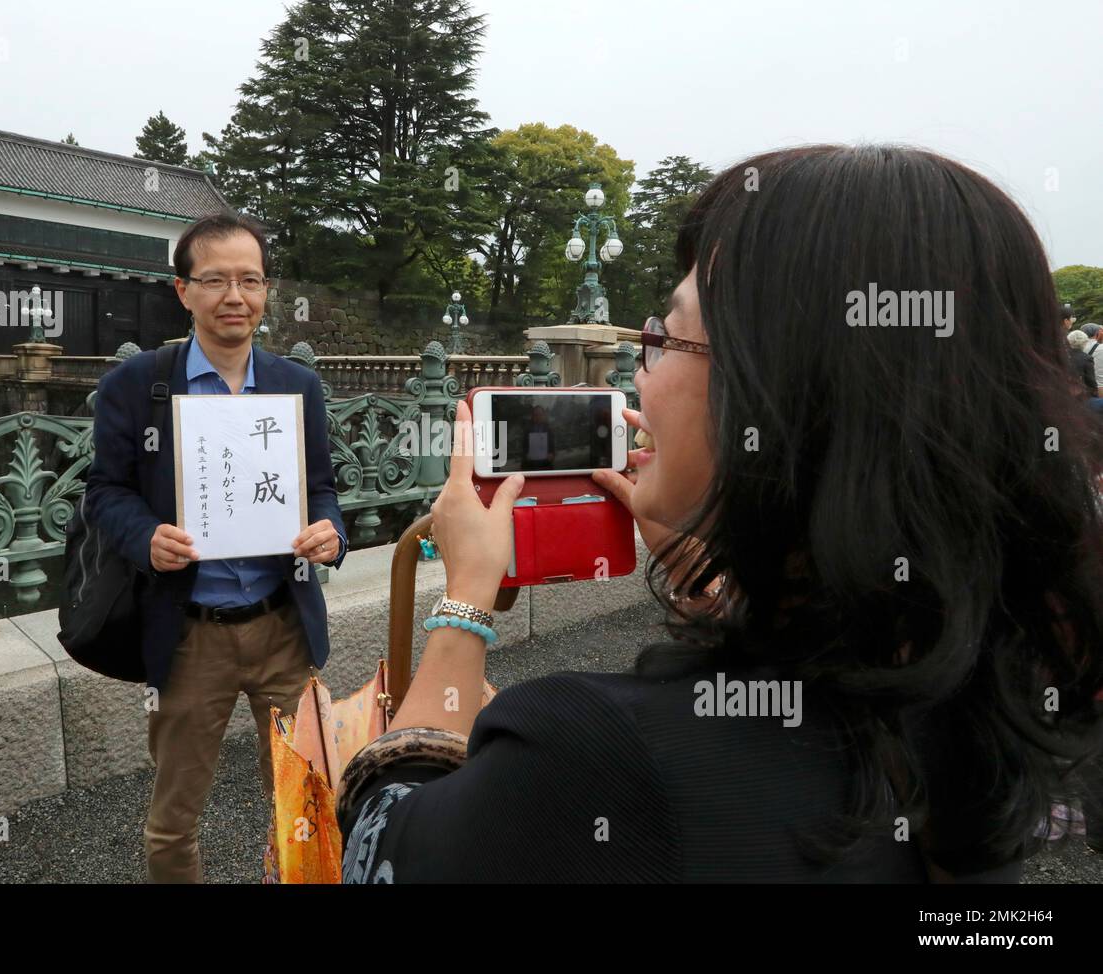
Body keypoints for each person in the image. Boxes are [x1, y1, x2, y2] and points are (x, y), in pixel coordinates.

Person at [337, 145, 1103, 883]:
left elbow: (386, 842)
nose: (641, 375)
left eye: (663, 338)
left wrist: (464, 602)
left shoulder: (596, 754)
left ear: (775, 392)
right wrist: (714, 572)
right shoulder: (981, 674)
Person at [84, 210, 348, 883]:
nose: (236, 296)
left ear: (266, 291)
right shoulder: (138, 386)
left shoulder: (297, 385)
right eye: (216, 280)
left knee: (307, 800)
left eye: (251, 280)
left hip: (281, 626)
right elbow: (104, 491)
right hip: (188, 633)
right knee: (174, 819)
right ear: (183, 291)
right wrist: (146, 537)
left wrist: (331, 532)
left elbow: (322, 488)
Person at [1067, 330, 1097, 399]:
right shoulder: (1087, 358)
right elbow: (1090, 380)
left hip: (1064, 393)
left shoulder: (1063, 355)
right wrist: (1095, 394)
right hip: (1080, 395)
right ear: (1084, 343)